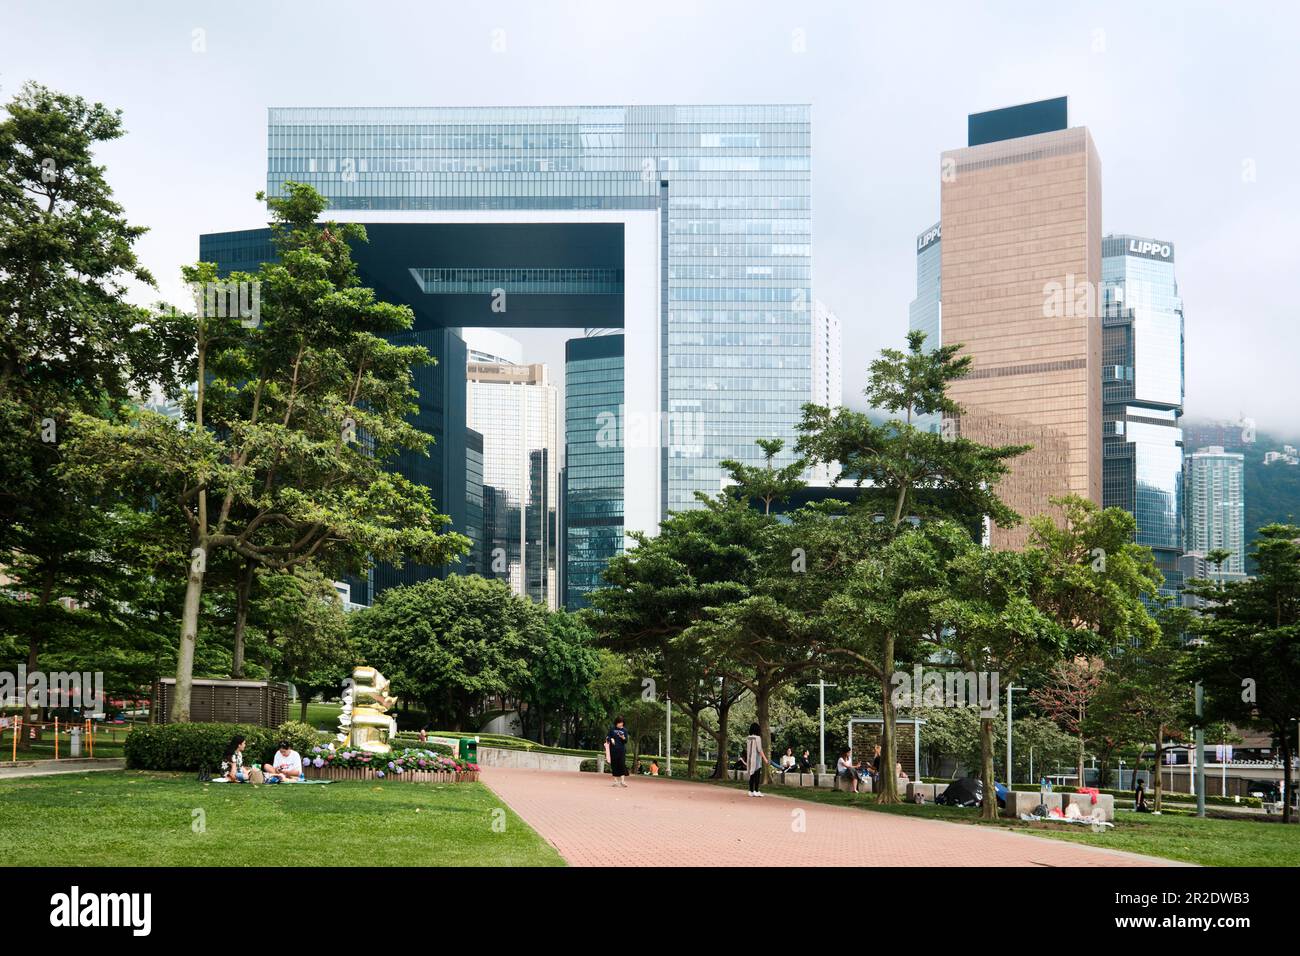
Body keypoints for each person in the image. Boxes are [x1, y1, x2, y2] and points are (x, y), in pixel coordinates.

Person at [744, 723, 770, 797]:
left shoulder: (748, 738)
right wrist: (765, 759)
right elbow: (759, 749)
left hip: (750, 758)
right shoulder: (758, 738)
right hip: (756, 758)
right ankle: (756, 790)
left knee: (751, 775)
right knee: (757, 775)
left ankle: (750, 790)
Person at [604, 716, 629, 789]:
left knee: (622, 764)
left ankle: (622, 781)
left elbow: (626, 741)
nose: (621, 724)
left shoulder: (624, 730)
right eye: (619, 723)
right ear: (616, 723)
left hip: (621, 750)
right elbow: (607, 737)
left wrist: (623, 737)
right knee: (614, 765)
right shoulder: (612, 729)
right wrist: (610, 739)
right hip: (613, 750)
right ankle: (615, 781)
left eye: (622, 723)